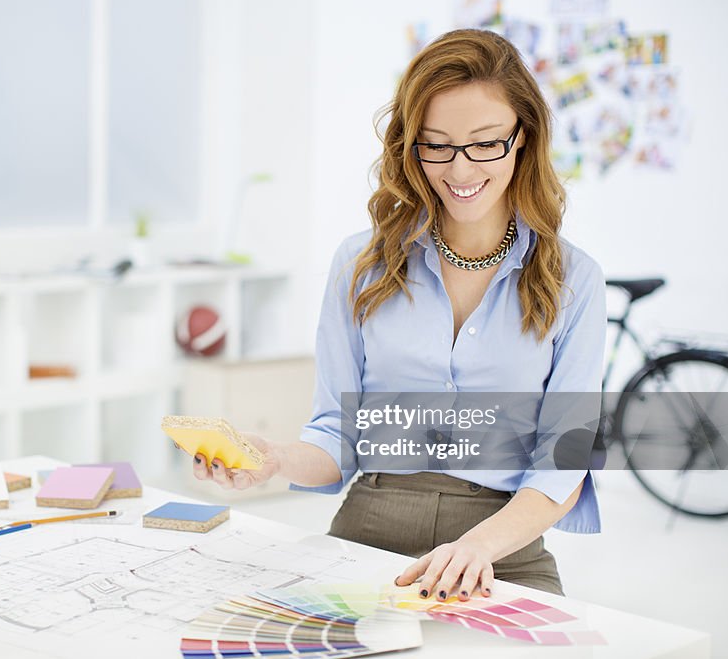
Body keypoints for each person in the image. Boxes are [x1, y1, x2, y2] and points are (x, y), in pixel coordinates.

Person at [189, 29, 605, 601]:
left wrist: (477, 547)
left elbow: (565, 460)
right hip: (368, 529)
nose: (460, 171)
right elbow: (336, 432)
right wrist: (276, 459)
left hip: (501, 546)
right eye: (436, 145)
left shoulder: (575, 280)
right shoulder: (360, 265)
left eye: (484, 143)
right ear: (410, 146)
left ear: (523, 139)